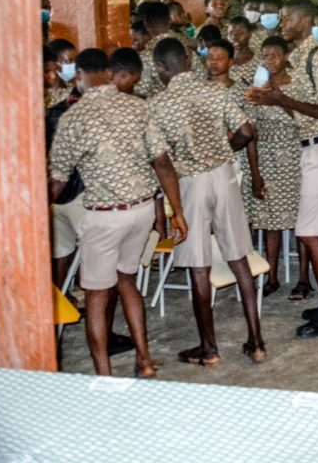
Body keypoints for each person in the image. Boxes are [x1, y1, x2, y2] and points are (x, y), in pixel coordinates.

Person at [48, 48, 188, 378]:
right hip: (140, 211)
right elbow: (163, 163)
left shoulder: (75, 117)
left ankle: (104, 375)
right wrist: (177, 212)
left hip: (105, 216)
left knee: (96, 295)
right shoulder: (138, 107)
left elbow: (58, 181)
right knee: (128, 281)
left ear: (80, 76)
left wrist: (33, 212)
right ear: (109, 73)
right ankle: (144, 360)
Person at [148, 38, 265, 365]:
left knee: (199, 267)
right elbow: (247, 130)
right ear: (189, 60)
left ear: (159, 67)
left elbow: (161, 161)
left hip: (191, 183)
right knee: (239, 256)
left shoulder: (157, 105)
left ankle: (208, 348)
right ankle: (256, 341)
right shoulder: (215, 91)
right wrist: (228, 149)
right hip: (225, 175)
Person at [244, 0, 318, 339]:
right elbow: (302, 114)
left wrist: (281, 99)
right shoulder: (300, 56)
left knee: (307, 232)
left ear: (304, 20)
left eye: (287, 16)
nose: (281, 21)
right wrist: (273, 99)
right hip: (310, 149)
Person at [235, 37, 300, 298]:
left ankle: (303, 278)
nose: (270, 60)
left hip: (294, 157)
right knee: (268, 221)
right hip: (264, 157)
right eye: (266, 56)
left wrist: (279, 98)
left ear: (286, 57)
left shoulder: (297, 84)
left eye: (275, 55)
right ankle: (269, 275)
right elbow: (251, 132)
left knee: (300, 221)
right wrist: (255, 173)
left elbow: (305, 120)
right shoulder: (255, 88)